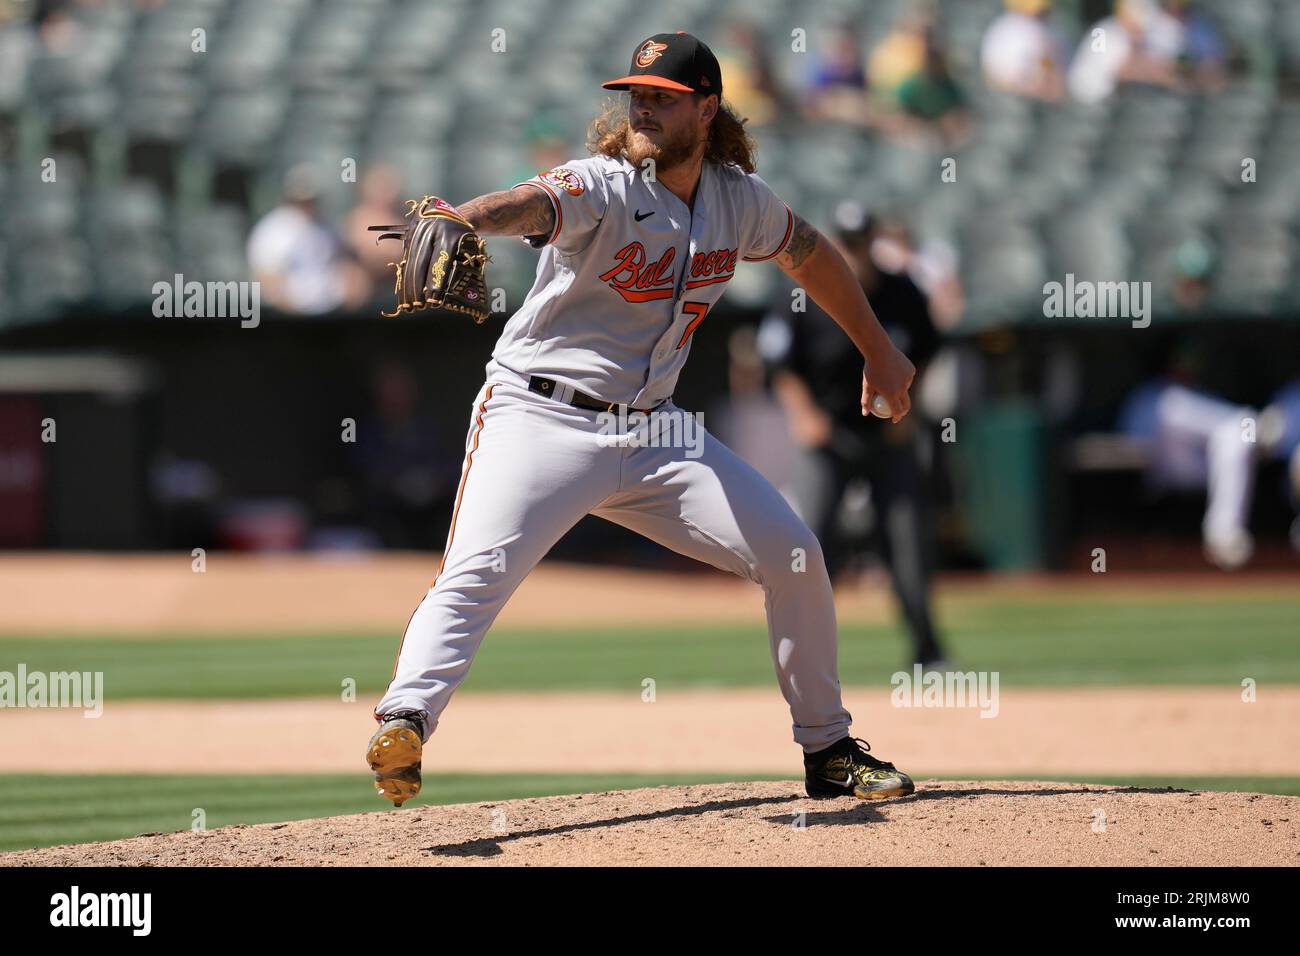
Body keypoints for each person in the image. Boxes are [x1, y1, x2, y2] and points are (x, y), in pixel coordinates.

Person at [366, 32, 919, 808]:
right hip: (539, 416)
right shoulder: (603, 183)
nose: (644, 107)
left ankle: (828, 751)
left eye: (662, 95)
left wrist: (879, 351)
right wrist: (466, 216)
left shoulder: (739, 201)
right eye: (636, 95)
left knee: (794, 554)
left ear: (709, 107)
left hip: (654, 432)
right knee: (477, 573)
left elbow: (811, 253)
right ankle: (404, 720)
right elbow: (532, 201)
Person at [760, 202, 949, 669]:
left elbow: (924, 355)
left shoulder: (904, 292)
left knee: (906, 542)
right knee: (810, 545)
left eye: (862, 242)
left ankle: (928, 651)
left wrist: (912, 410)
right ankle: (802, 655)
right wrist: (803, 415)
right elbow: (779, 366)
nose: (856, 252)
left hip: (888, 436)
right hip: (827, 437)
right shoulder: (802, 293)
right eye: (848, 243)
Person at [247, 164, 368, 315]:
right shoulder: (272, 230)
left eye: (311, 200)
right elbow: (267, 278)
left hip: (330, 311)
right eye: (301, 200)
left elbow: (344, 264)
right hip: (288, 314)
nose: (307, 205)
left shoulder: (326, 227)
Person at [980, 0, 1070, 101]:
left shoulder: (1053, 31)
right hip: (1010, 100)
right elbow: (1006, 82)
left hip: (1039, 100)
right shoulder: (1008, 28)